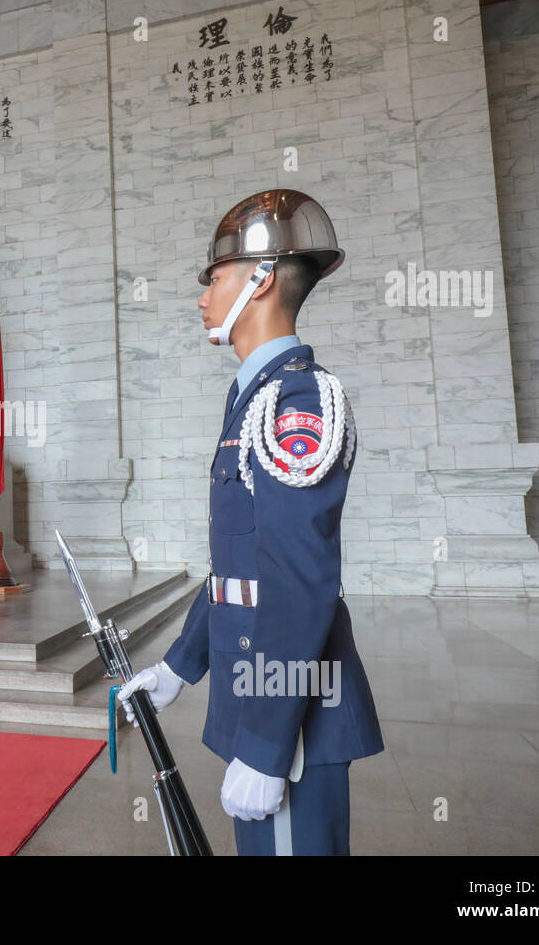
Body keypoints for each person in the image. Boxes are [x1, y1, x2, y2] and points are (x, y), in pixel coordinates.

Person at [118, 188, 384, 855]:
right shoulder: (254, 398)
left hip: (290, 716)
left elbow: (298, 581)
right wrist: (180, 667)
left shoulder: (299, 401)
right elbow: (240, 566)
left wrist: (267, 746)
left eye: (214, 277)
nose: (202, 297)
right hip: (258, 692)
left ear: (260, 280)